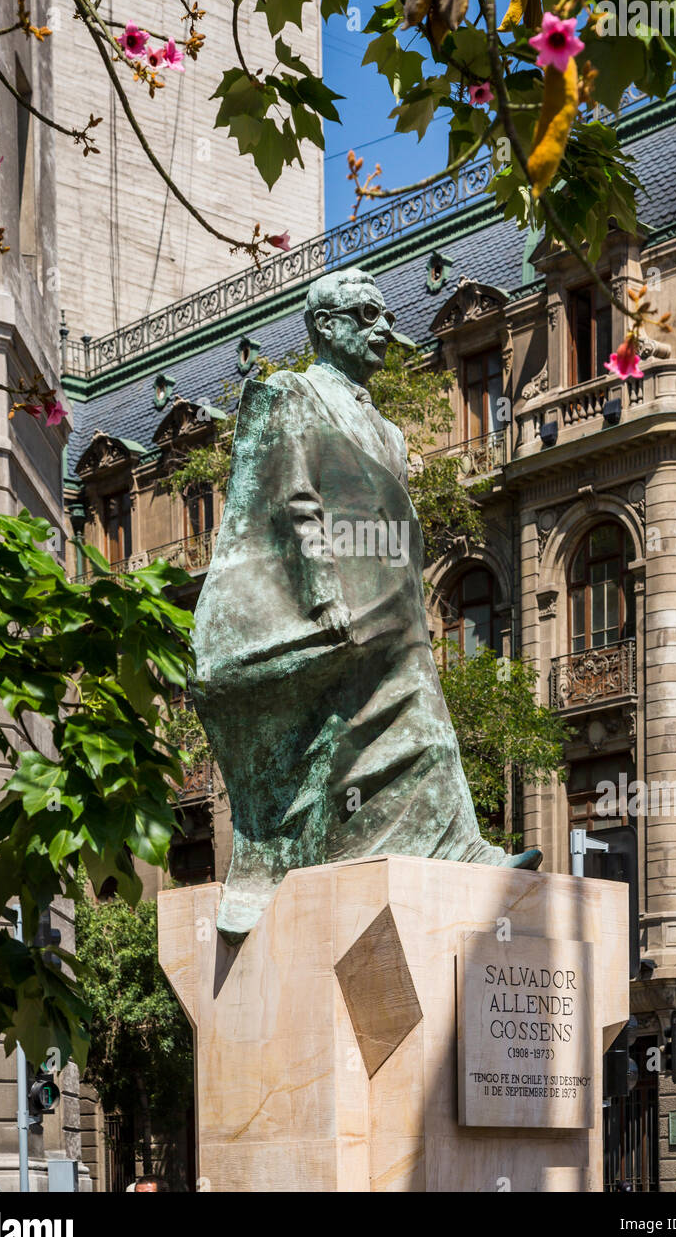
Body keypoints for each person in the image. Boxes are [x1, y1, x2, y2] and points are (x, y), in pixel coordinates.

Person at [192, 267, 541, 942]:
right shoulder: (291, 393)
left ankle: (455, 842)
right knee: (344, 735)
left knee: (420, 713)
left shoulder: (389, 431)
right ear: (326, 326)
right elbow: (290, 498)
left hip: (392, 605)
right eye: (368, 315)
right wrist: (321, 591)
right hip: (327, 606)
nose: (386, 329)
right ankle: (280, 853)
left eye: (386, 316)